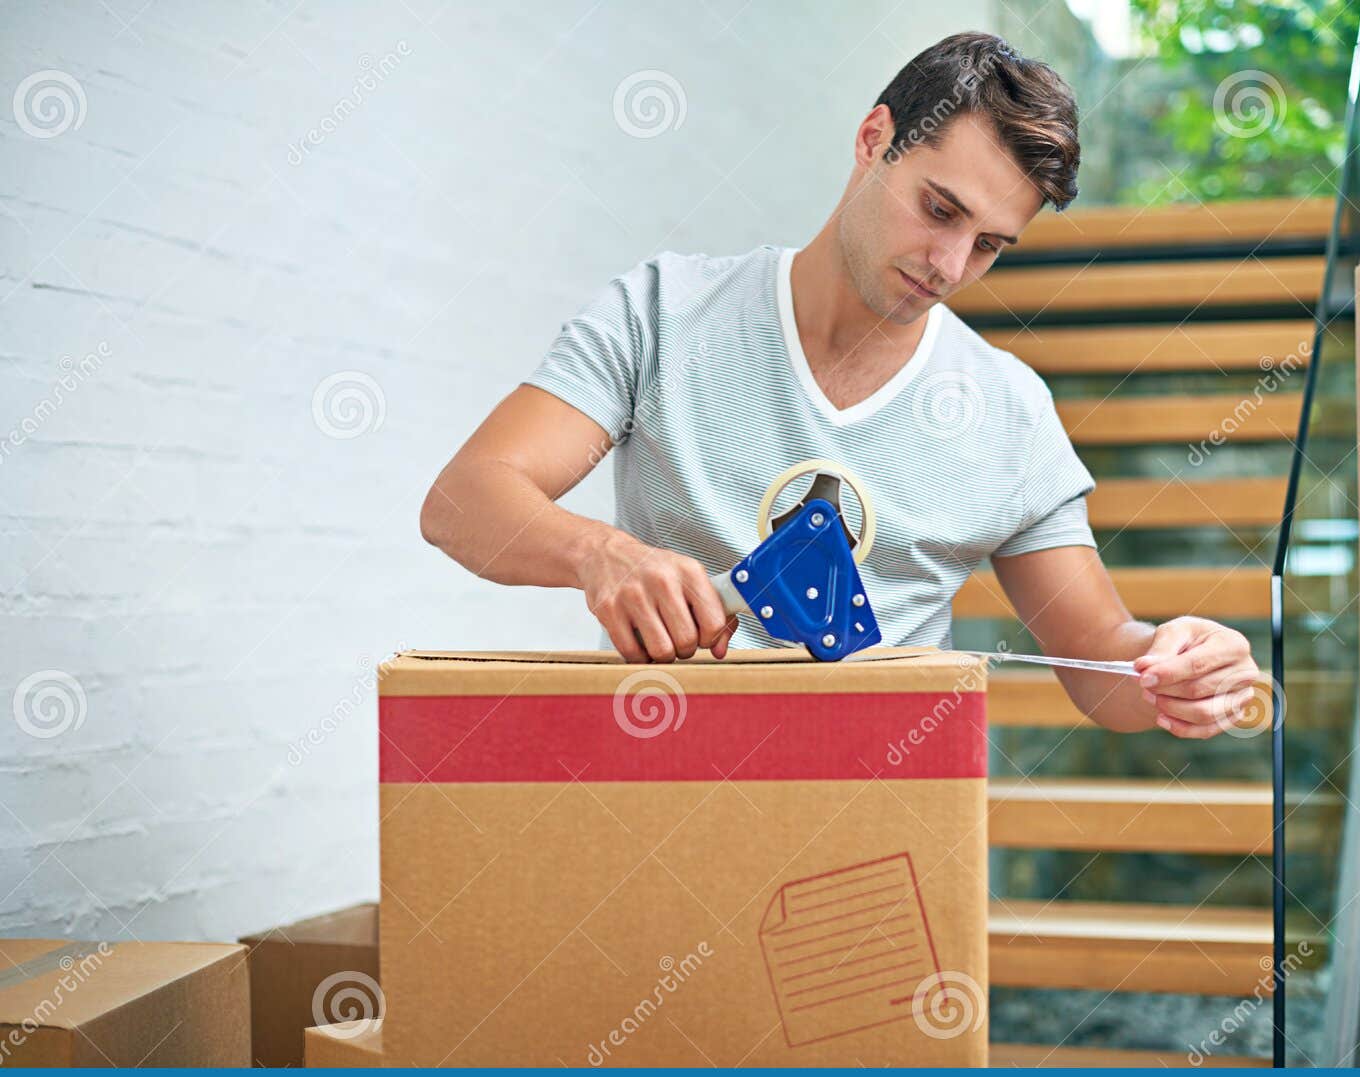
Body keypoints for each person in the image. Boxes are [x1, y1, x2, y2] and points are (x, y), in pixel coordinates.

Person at [420, 31, 1262, 738]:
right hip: (655, 782)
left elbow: (1103, 662)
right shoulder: (665, 313)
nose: (949, 265)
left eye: (990, 245)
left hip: (877, 822)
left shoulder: (1009, 413)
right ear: (872, 140)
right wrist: (600, 554)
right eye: (939, 209)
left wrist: (1173, 665)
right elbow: (464, 501)